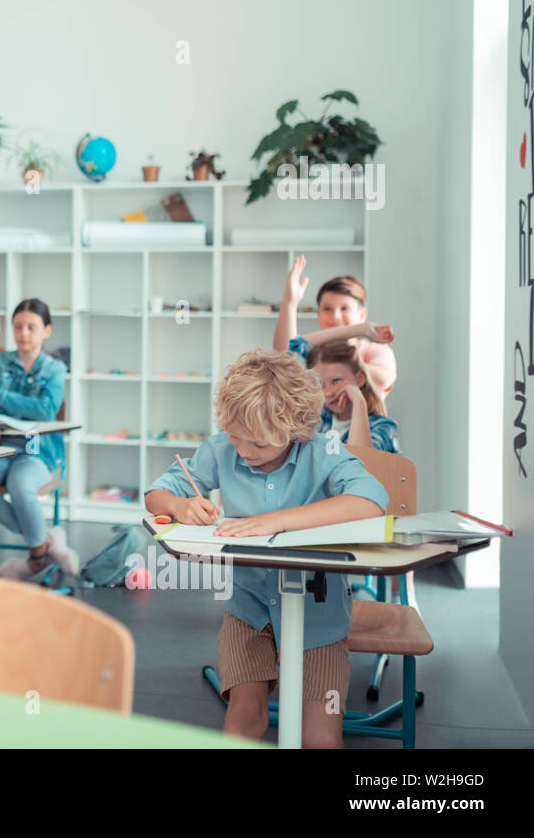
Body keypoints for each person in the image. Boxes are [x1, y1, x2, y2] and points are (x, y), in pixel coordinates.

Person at [144, 349, 388, 748]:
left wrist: (277, 521)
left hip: (319, 618)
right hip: (248, 609)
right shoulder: (222, 448)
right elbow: (156, 493)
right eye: (236, 436)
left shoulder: (322, 450)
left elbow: (371, 501)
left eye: (257, 442)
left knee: (320, 739)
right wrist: (179, 505)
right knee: (243, 724)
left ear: (294, 428)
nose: (243, 450)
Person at [0, 298, 79, 579]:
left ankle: (34, 559)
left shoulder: (54, 368)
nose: (24, 333)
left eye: (32, 327)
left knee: (20, 485)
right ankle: (46, 543)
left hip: (38, 451)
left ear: (47, 330)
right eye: (18, 327)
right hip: (0, 448)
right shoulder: (1, 360)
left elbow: (45, 409)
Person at [272, 256, 396, 395]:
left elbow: (383, 378)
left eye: (344, 309)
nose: (335, 316)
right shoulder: (310, 353)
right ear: (318, 315)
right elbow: (284, 355)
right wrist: (290, 303)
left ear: (362, 315)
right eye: (327, 309)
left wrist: (359, 332)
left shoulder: (374, 351)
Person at [304, 340, 400, 452]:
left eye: (336, 380)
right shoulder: (316, 420)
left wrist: (359, 402)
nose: (328, 392)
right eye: (320, 384)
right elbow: (291, 346)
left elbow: (361, 462)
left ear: (360, 379)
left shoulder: (384, 427)